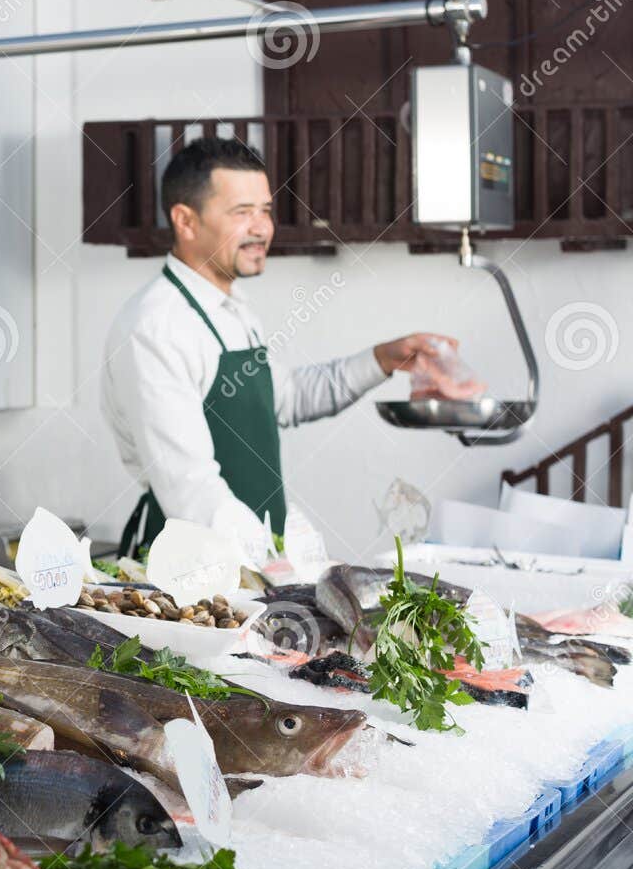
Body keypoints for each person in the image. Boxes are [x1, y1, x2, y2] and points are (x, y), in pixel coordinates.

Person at [101, 136, 476, 557]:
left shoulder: (234, 310)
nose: (262, 228)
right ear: (186, 221)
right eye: (242, 213)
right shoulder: (155, 328)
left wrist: (384, 359)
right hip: (190, 571)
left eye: (265, 210)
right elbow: (191, 491)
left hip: (255, 563)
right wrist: (280, 565)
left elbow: (289, 398)